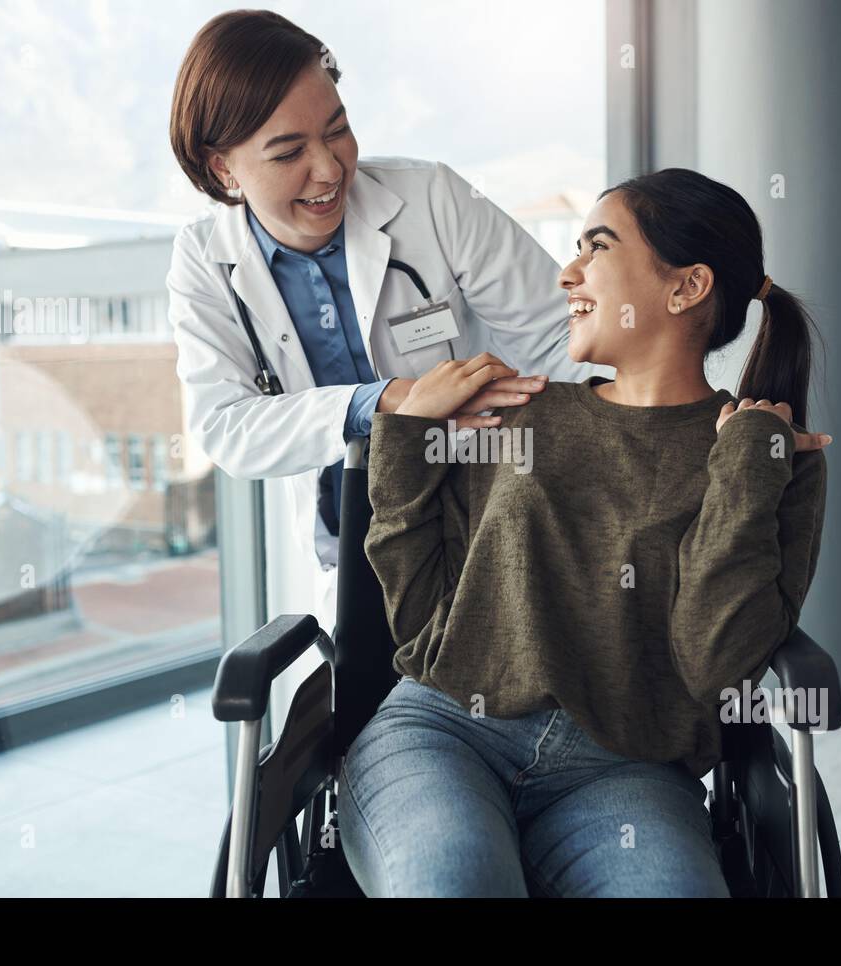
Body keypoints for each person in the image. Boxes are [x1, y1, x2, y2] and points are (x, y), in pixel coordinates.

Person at [337, 167, 833, 897]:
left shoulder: (768, 461)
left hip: (627, 772)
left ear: (685, 287)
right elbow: (416, 627)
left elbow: (715, 667)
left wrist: (742, 473)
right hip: (446, 737)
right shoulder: (516, 414)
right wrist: (406, 433)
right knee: (455, 884)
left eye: (596, 248)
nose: (567, 273)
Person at [166, 9, 607, 630]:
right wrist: (392, 402)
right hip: (354, 557)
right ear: (224, 169)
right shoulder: (204, 263)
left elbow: (565, 338)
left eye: (337, 129)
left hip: (492, 523)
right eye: (289, 151)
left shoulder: (432, 199)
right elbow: (226, 427)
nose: (329, 169)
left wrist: (648, 443)